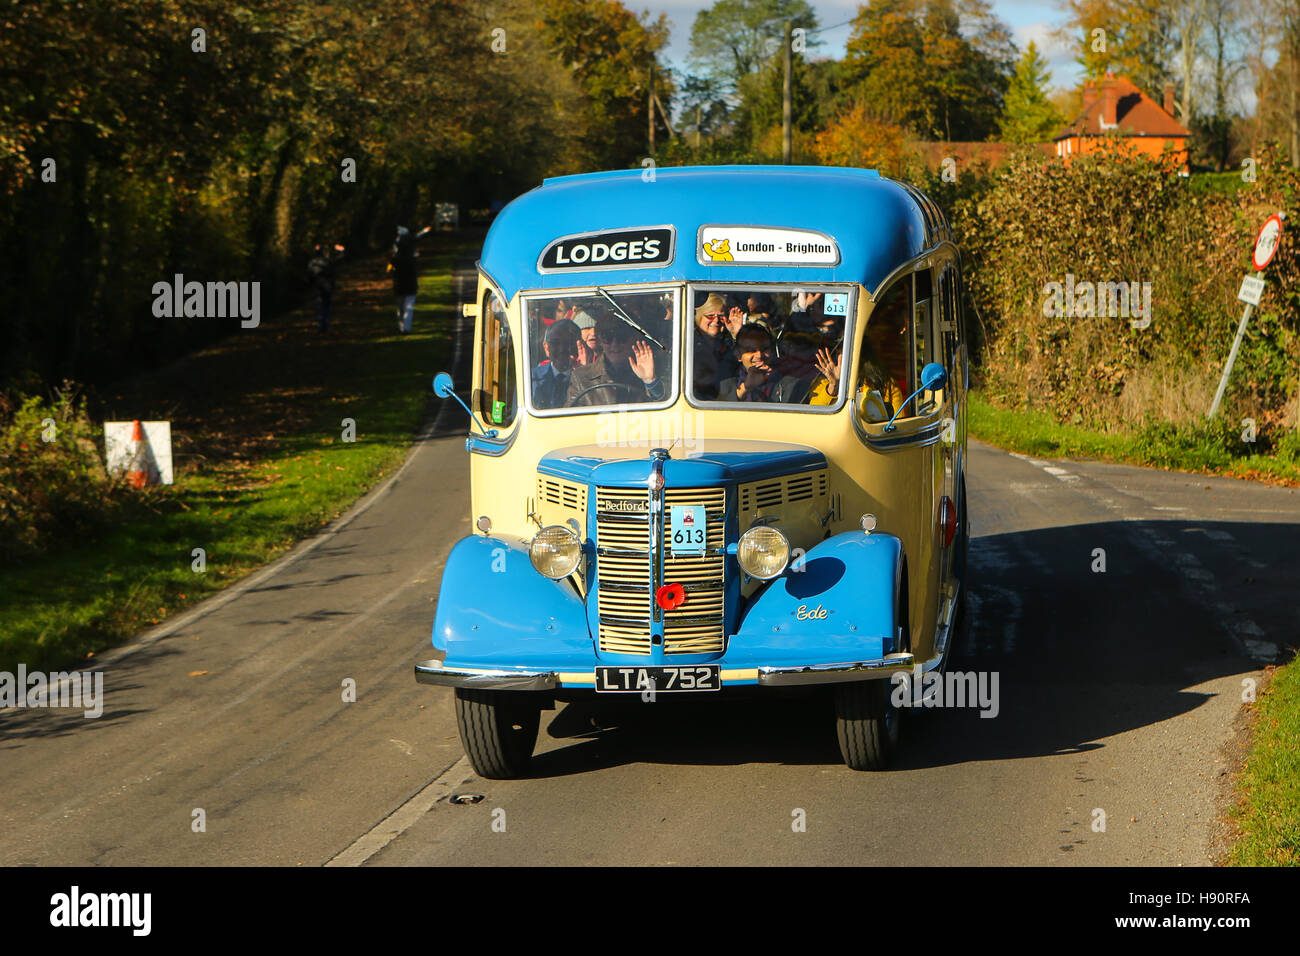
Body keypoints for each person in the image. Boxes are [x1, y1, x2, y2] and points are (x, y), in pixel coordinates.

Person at [566, 316, 665, 406]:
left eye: (622, 338)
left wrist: (650, 381)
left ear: (633, 339)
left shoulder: (654, 370)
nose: (614, 344)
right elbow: (570, 419)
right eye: (608, 338)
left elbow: (668, 413)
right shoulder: (581, 377)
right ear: (600, 341)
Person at [719, 323, 809, 404]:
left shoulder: (791, 386)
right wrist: (745, 388)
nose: (759, 355)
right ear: (738, 355)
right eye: (751, 350)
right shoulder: (725, 386)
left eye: (764, 349)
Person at [692, 293, 737, 399]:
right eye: (710, 316)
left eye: (721, 316)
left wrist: (735, 334)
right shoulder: (690, 345)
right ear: (699, 317)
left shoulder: (728, 343)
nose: (716, 320)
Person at [389, 224, 432, 333]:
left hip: (399, 287)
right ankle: (405, 329)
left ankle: (402, 327)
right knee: (408, 308)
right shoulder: (412, 260)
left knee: (401, 309)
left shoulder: (395, 260)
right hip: (410, 286)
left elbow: (390, 271)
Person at [531, 319, 580, 409]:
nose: (562, 349)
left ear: (578, 345)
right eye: (555, 343)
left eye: (568, 343)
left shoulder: (589, 378)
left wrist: (583, 372)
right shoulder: (531, 378)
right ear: (546, 347)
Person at [307, 241, 345, 332]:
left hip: (318, 287)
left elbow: (309, 275)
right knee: (327, 305)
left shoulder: (312, 263)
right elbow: (339, 261)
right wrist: (341, 251)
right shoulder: (327, 262)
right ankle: (325, 323)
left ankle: (321, 324)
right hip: (327, 286)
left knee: (320, 305)